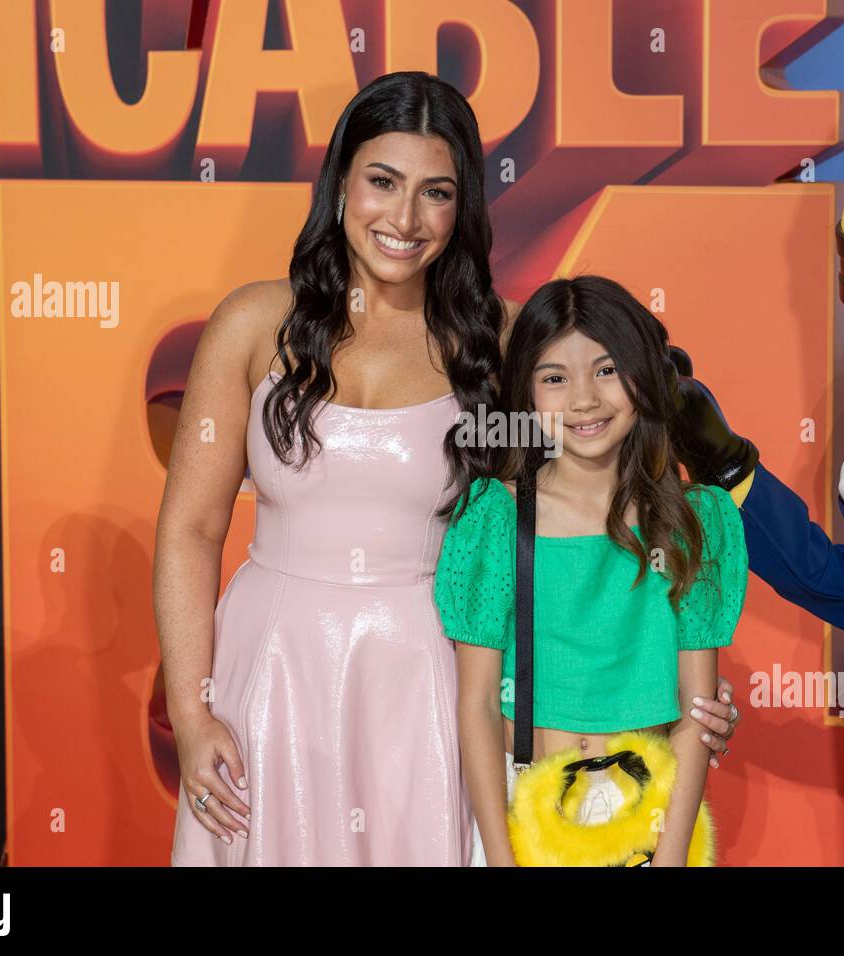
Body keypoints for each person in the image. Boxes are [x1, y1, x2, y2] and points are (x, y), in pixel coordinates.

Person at [156, 71, 740, 866]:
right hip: (271, 671)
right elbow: (191, 530)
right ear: (340, 184)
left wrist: (669, 690)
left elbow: (584, 526)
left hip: (436, 680)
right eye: (382, 182)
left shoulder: (499, 344)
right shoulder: (254, 324)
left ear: (462, 207)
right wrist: (194, 716)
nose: (404, 218)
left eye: (435, 192)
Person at [435, 276, 748, 866]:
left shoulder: (691, 522)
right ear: (524, 394)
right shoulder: (496, 519)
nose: (584, 399)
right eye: (555, 378)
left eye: (606, 371)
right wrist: (503, 860)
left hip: (646, 816)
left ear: (644, 377)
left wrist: (671, 857)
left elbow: (695, 709)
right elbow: (476, 703)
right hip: (527, 810)